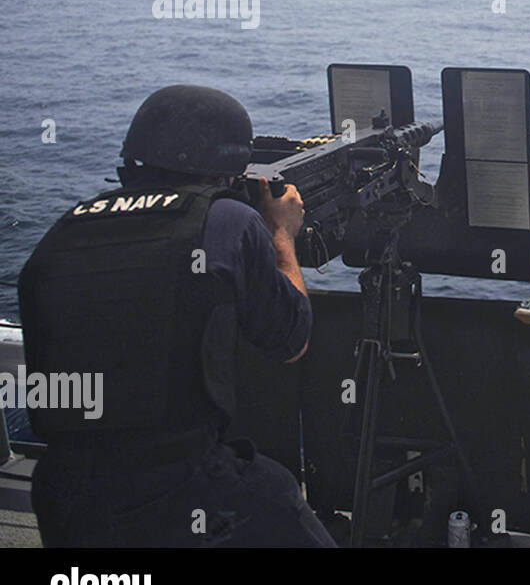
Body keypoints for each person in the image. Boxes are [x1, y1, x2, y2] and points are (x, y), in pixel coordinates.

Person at [18, 85, 336, 547]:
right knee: (276, 491)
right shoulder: (228, 219)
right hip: (175, 484)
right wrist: (280, 235)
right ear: (227, 171)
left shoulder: (66, 229)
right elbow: (291, 340)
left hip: (62, 493)